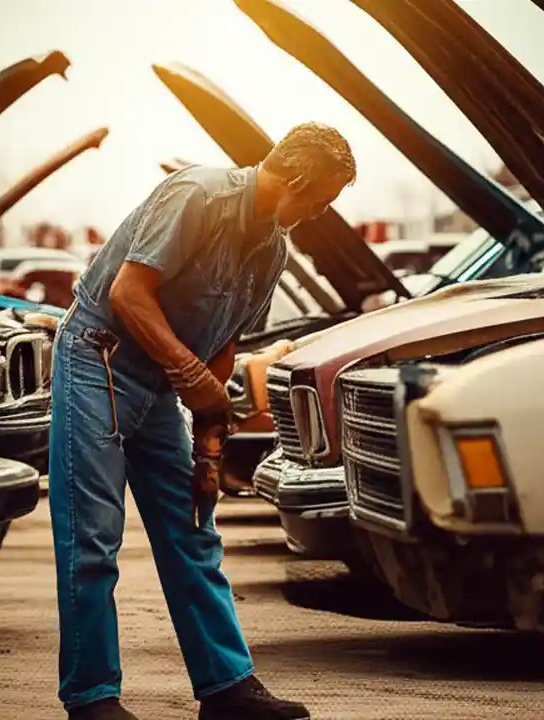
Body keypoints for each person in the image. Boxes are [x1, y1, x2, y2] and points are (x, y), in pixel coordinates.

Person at [49, 122, 357, 720]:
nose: (320, 212)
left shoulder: (272, 247)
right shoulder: (196, 196)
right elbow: (129, 294)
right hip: (98, 360)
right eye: (321, 198)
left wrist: (208, 450)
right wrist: (195, 383)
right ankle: (92, 699)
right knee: (91, 537)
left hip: (163, 379)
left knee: (193, 528)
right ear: (294, 176)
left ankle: (226, 688)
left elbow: (225, 341)